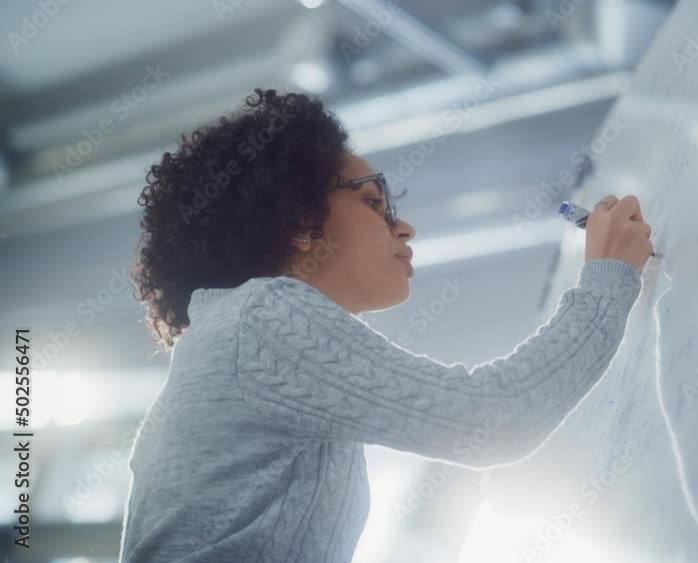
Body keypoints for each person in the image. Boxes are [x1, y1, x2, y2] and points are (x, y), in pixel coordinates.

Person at [120, 88, 653, 562]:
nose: (404, 226)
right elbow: (493, 418)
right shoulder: (261, 317)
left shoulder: (232, 336)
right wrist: (608, 277)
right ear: (299, 222)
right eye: (373, 201)